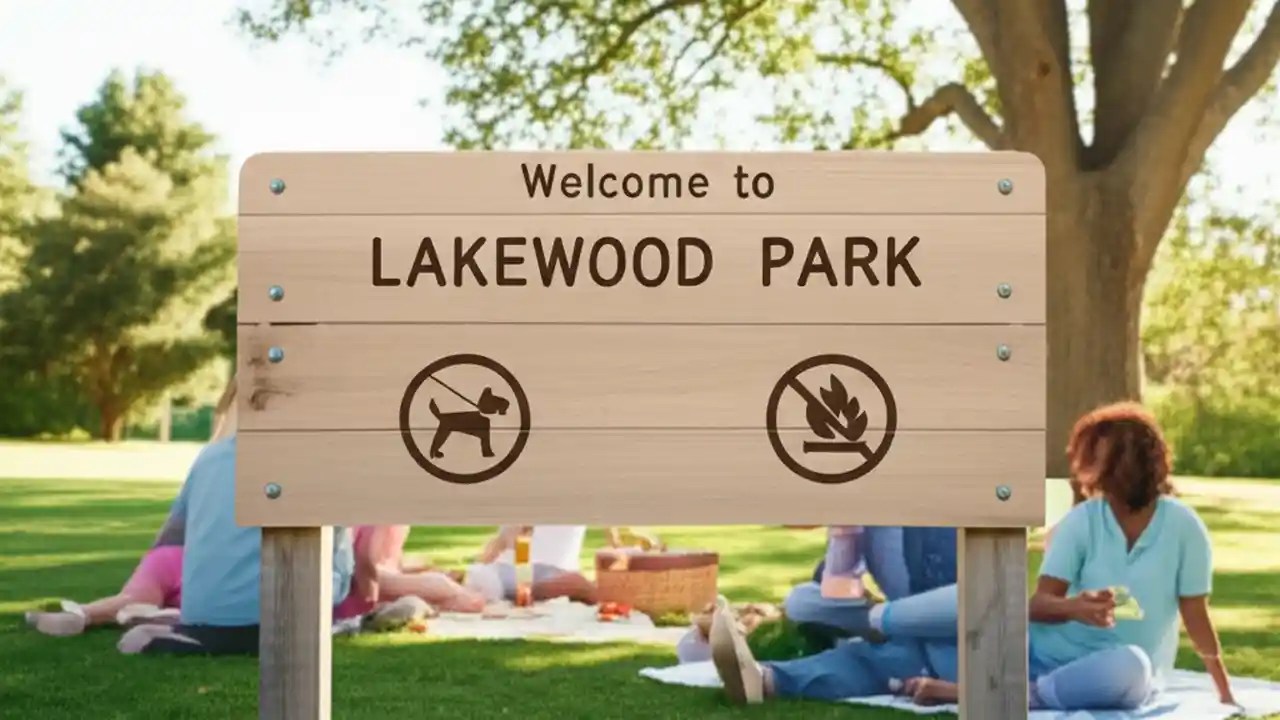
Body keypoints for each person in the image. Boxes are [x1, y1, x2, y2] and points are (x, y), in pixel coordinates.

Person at [710, 402, 1238, 711]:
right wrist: (1075, 608)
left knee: (1135, 667)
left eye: (1096, 458)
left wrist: (1225, 693)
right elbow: (1033, 605)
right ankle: (771, 678)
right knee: (907, 652)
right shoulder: (1084, 522)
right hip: (1025, 650)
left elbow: (1196, 615)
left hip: (1104, 672)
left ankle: (961, 686)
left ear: (1132, 461)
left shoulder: (1182, 528)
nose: (1084, 470)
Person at [118, 375, 356, 656]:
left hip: (199, 619)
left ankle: (198, 631)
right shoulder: (317, 459)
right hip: (281, 624)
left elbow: (170, 536)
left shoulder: (208, 458)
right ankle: (336, 621)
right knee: (337, 553)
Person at [23, 379, 241, 637]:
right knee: (199, 599)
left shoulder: (208, 461)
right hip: (221, 567)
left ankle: (86, 613)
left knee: (135, 594)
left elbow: (178, 520)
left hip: (177, 554)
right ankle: (168, 617)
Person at [334, 525, 486, 621]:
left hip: (373, 587)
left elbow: (388, 560)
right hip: (357, 595)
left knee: (458, 596)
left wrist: (419, 572)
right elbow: (365, 566)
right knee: (453, 595)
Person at [465, 525, 598, 604]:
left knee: (578, 582)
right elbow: (510, 540)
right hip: (507, 576)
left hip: (541, 574)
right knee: (577, 583)